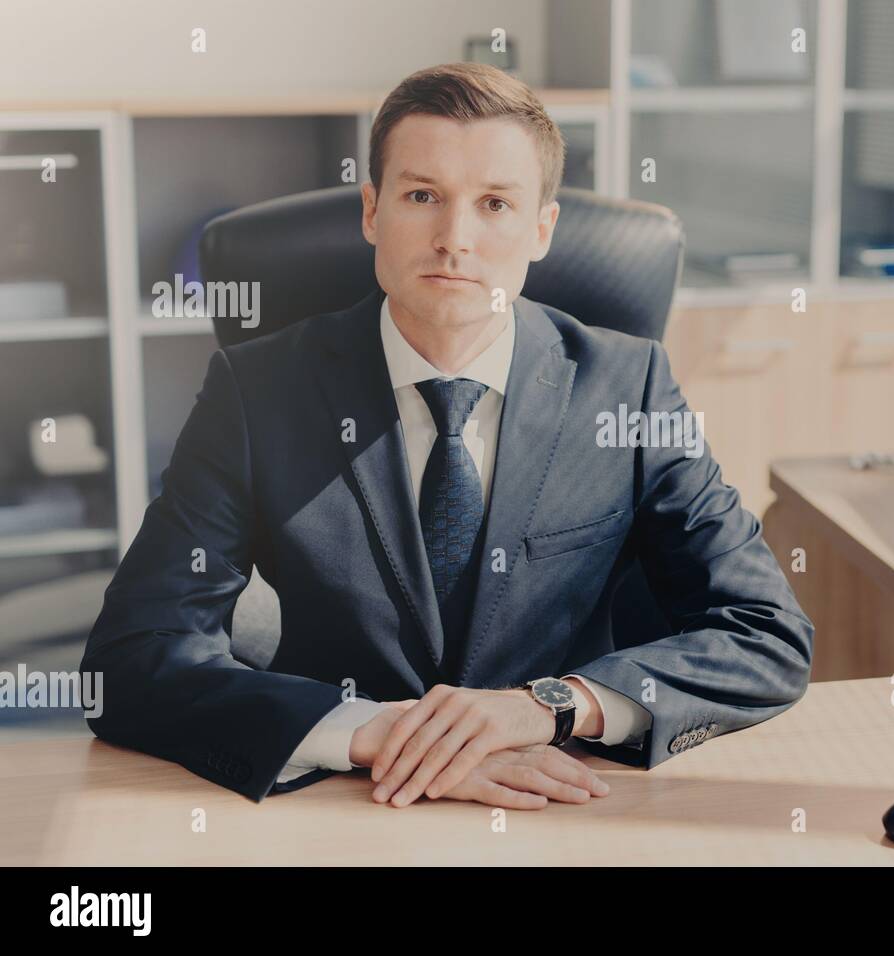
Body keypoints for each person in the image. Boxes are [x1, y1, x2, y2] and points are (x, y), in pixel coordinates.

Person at [82, 62, 813, 810]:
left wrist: (551, 706)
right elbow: (130, 660)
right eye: (421, 196)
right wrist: (377, 734)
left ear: (541, 229)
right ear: (372, 212)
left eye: (494, 203)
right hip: (341, 804)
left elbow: (767, 635)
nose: (453, 239)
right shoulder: (256, 392)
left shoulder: (630, 388)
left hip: (567, 798)